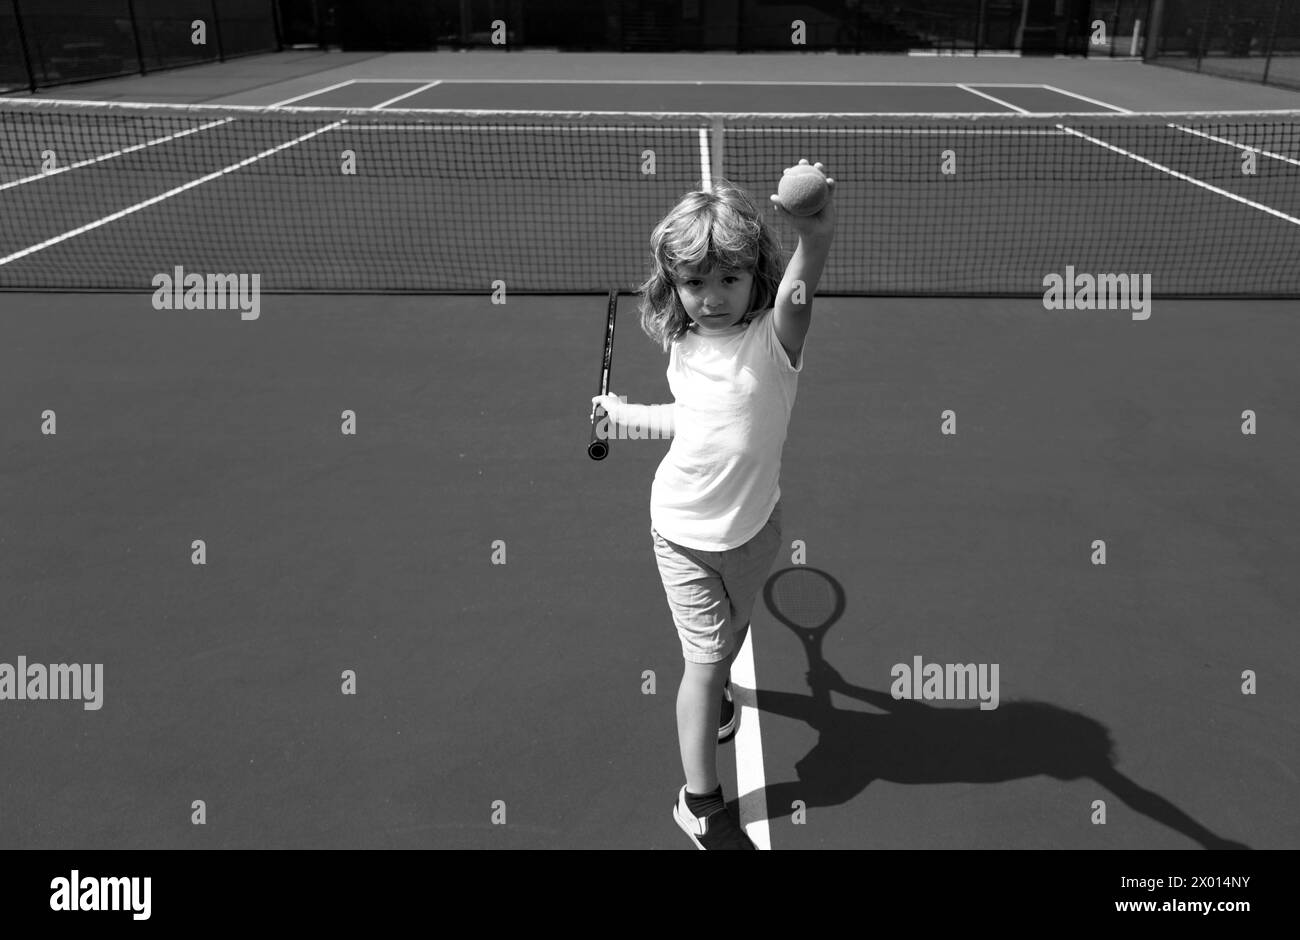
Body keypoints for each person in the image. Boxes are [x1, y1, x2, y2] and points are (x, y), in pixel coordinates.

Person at [591, 161, 836, 849]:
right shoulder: (682, 341)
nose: (711, 296)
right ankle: (699, 802)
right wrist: (628, 417)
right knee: (703, 663)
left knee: (730, 638)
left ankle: (723, 690)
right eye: (694, 283)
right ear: (674, 286)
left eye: (728, 278)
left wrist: (814, 238)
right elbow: (693, 422)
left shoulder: (775, 341)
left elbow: (799, 294)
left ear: (757, 274)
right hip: (684, 534)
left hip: (756, 530)